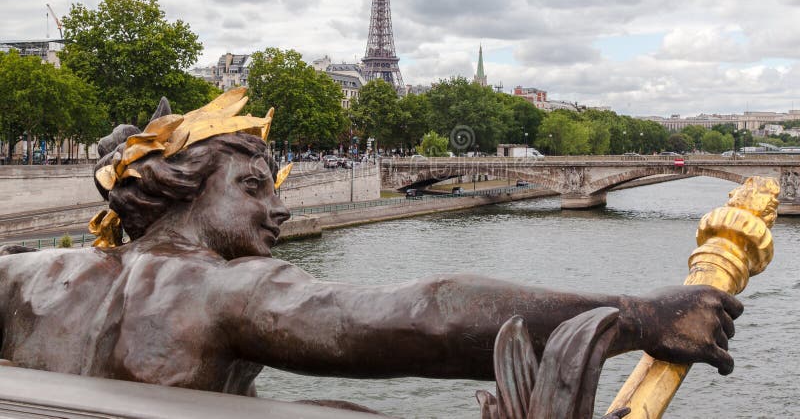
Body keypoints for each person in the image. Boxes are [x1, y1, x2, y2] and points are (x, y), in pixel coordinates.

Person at [0, 89, 742, 401]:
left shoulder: (28, 275)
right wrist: (637, 316)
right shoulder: (219, 288)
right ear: (184, 190)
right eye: (255, 187)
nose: (279, 209)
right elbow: (427, 316)